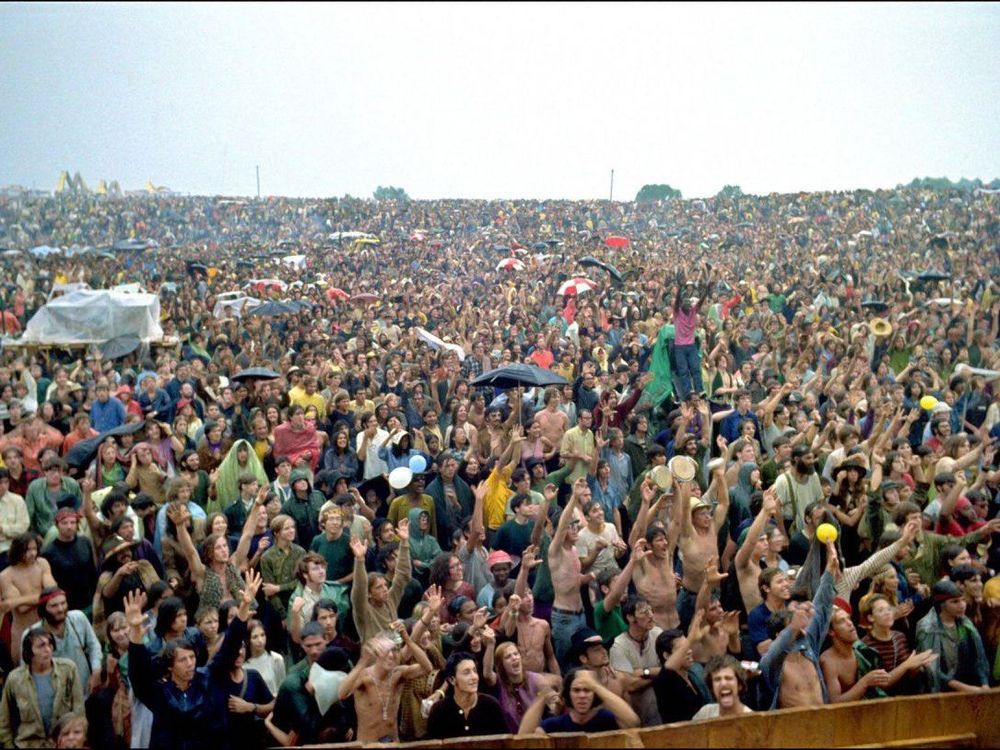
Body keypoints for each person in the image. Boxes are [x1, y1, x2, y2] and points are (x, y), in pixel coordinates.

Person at [125, 570, 262, 750]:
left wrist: (243, 607)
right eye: (183, 660)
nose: (190, 663)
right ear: (170, 666)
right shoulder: (160, 693)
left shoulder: (207, 678)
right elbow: (139, 677)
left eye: (192, 657)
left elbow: (229, 647)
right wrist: (135, 632)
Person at [759, 538, 840, 708]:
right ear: (779, 634)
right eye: (795, 623)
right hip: (791, 730)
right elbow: (778, 649)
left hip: (822, 724)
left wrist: (830, 570)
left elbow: (822, 606)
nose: (802, 625)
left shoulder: (808, 646)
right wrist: (794, 627)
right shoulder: (771, 664)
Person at [337, 620, 433, 743]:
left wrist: (407, 640)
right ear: (377, 653)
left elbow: (427, 668)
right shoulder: (364, 677)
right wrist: (363, 660)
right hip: (367, 745)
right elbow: (342, 694)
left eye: (395, 650)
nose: (391, 655)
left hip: (393, 743)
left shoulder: (399, 674)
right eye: (386, 650)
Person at [0, 628, 84, 747]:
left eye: (50, 644)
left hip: (62, 744)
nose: (48, 650)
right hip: (28, 744)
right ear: (29, 651)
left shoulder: (68, 670)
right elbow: (4, 720)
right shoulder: (15, 679)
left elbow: (79, 710)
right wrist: (9, 746)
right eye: (41, 646)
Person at [915, 579, 992, 693]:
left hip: (966, 683)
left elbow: (979, 657)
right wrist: (966, 689)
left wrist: (984, 684)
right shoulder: (927, 627)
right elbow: (931, 669)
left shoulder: (964, 623)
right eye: (955, 602)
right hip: (938, 691)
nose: (962, 605)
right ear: (942, 605)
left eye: (963, 600)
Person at [517, 666, 639, 735]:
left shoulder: (607, 719)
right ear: (568, 694)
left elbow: (633, 722)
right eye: (576, 690)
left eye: (587, 690)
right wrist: (542, 697)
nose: (582, 695)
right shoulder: (555, 724)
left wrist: (596, 686)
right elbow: (523, 738)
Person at [28, 587, 103, 693]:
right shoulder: (32, 635)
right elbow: (28, 672)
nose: (60, 609)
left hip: (85, 689)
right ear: (43, 609)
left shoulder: (78, 619)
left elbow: (93, 646)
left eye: (63, 603)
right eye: (54, 606)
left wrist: (96, 672)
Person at [350, 518, 412, 641]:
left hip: (395, 655)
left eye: (385, 585)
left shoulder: (389, 600)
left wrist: (404, 543)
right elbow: (359, 588)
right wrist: (360, 560)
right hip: (375, 658)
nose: (385, 589)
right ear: (368, 594)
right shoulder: (363, 610)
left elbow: (402, 577)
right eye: (379, 587)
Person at [0, 531, 57, 662]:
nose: (32, 553)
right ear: (18, 551)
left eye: (34, 549)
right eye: (27, 550)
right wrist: (42, 596)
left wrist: (15, 601)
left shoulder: (42, 563)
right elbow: (23, 608)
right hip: (23, 630)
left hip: (45, 625)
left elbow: (53, 593)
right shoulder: (6, 576)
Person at [425, 651, 508, 739]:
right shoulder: (439, 710)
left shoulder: (491, 705)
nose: (474, 677)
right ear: (452, 680)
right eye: (466, 672)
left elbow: (505, 742)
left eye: (475, 671)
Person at [609, 595, 663, 725]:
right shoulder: (619, 646)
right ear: (630, 617)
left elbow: (673, 668)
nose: (651, 615)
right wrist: (661, 674)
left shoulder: (658, 633)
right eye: (645, 612)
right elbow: (629, 684)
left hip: (662, 693)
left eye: (651, 611)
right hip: (638, 702)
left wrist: (643, 672)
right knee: (648, 694)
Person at [691, 655, 754, 720]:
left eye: (728, 678)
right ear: (712, 688)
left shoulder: (753, 720)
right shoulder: (705, 714)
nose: (723, 684)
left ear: (739, 685)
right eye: (717, 679)